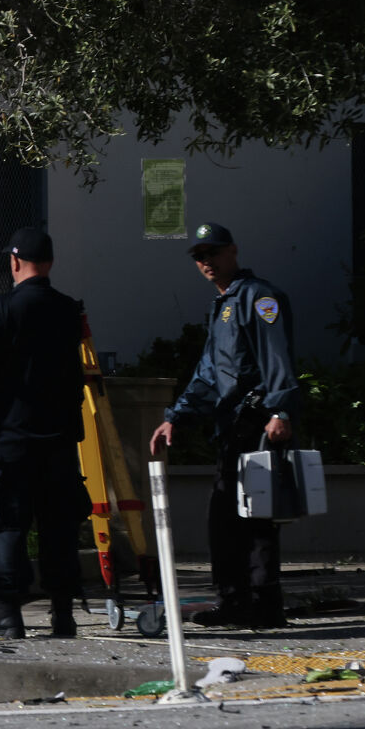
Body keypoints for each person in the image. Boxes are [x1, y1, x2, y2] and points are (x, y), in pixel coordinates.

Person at [148, 222, 298, 627]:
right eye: (199, 256)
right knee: (226, 517)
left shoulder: (258, 298)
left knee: (257, 517)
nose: (206, 262)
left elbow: (276, 356)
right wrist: (175, 417)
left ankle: (263, 605)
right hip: (231, 426)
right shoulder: (223, 305)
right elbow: (209, 372)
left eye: (212, 253)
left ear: (233, 251)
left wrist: (280, 411)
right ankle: (235, 601)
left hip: (257, 423)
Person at [0, 227, 88, 639]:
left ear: (13, 261)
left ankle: (7, 614)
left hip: (13, 441)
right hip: (60, 439)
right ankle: (64, 614)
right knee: (59, 525)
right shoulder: (68, 311)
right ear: (50, 263)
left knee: (8, 524)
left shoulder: (2, 310)